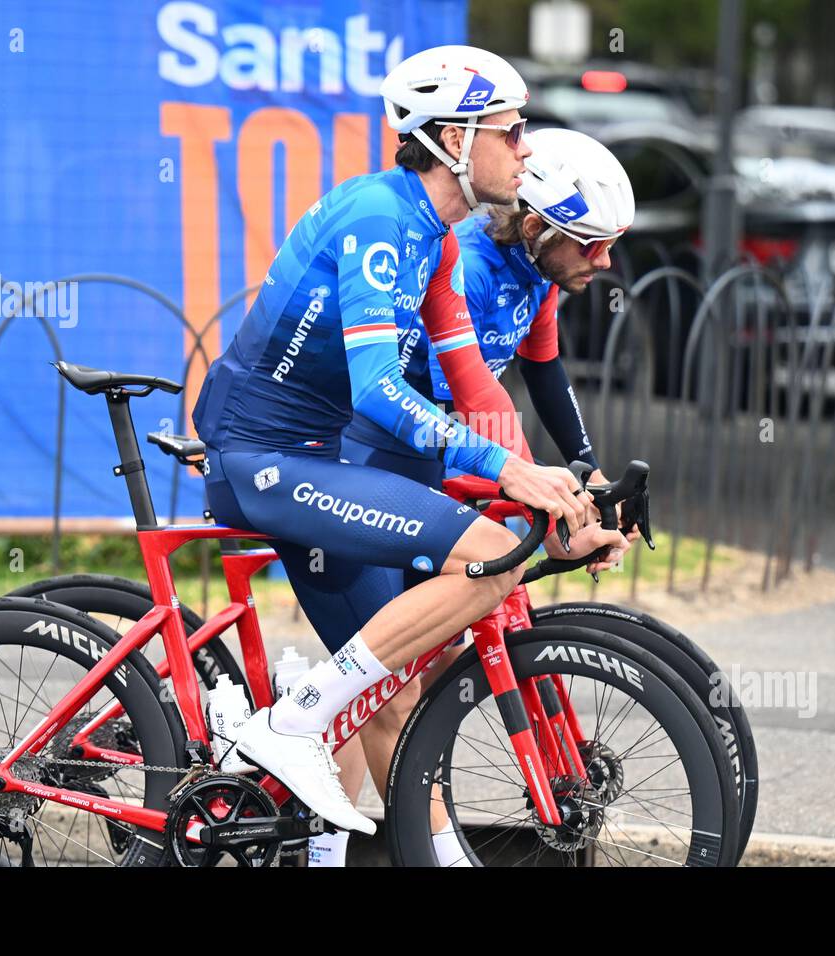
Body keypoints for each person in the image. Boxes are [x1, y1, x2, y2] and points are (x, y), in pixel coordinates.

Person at [191, 45, 630, 838]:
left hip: (308, 459)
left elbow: (478, 390)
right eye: (513, 130)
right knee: (490, 554)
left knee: (393, 693)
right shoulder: (379, 220)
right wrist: (508, 475)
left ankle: (354, 808)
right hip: (263, 462)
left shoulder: (442, 238)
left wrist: (558, 492)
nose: (527, 149)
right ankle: (291, 724)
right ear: (456, 141)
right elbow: (379, 395)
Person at [327, 128, 638, 862]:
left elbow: (545, 375)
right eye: (590, 244)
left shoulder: (537, 273)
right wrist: (536, 488)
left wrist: (586, 472)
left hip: (434, 462)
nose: (605, 260)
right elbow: (444, 407)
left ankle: (321, 840)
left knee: (392, 680)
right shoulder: (463, 264)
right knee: (389, 691)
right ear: (535, 226)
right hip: (377, 462)